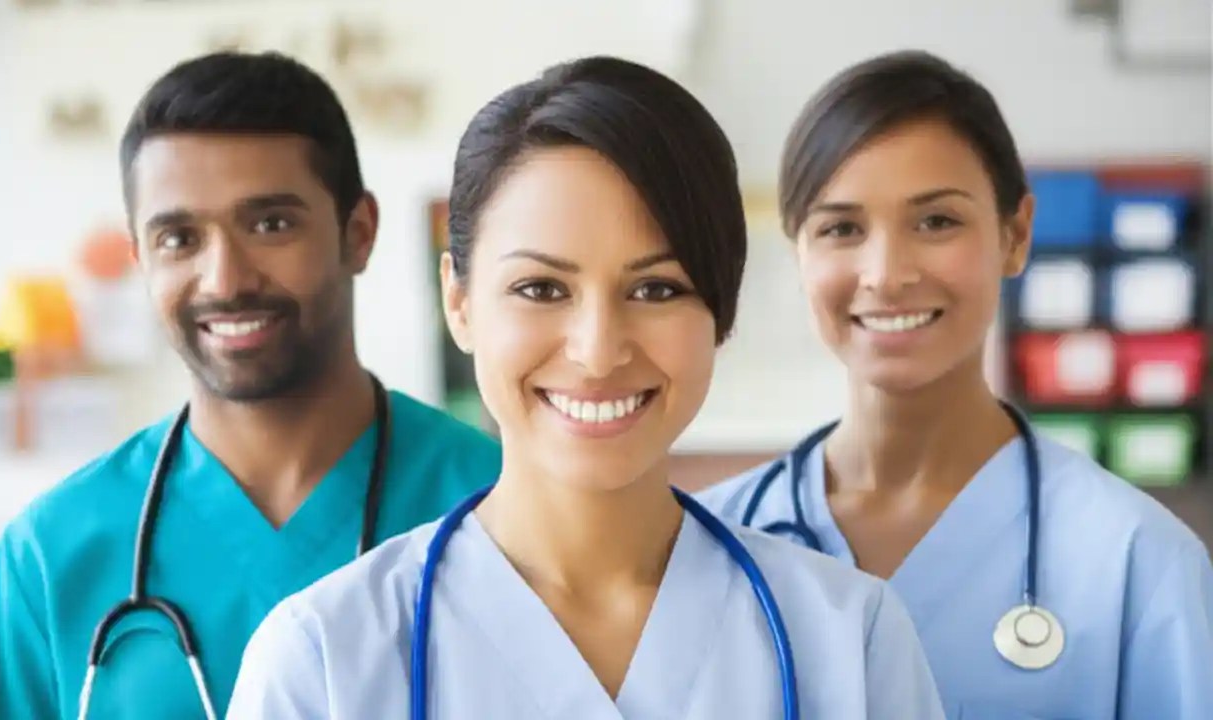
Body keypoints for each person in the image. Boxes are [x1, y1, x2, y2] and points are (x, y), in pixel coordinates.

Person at [225, 55, 946, 720]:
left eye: (657, 288)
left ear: (719, 311)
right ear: (460, 302)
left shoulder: (848, 640)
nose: (598, 352)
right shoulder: (322, 661)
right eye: (541, 288)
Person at [0, 51, 501, 720]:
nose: (226, 279)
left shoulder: (504, 507)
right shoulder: (51, 555)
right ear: (141, 258)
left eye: (270, 225)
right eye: (179, 237)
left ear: (359, 233)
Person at [699, 50, 1213, 719]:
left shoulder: (1136, 560)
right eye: (841, 228)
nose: (886, 273)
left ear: (1015, 234)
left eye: (936, 221)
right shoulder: (707, 544)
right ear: (799, 249)